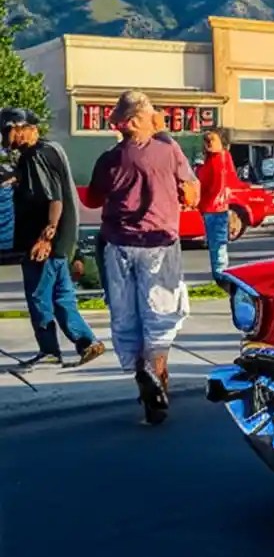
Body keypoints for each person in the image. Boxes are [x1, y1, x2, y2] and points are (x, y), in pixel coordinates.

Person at [84, 91, 198, 425]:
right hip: (159, 244)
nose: (159, 118)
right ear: (136, 121)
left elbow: (92, 199)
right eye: (153, 114)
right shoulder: (169, 150)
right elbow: (192, 193)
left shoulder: (110, 158)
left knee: (126, 317)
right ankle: (156, 372)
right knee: (160, 315)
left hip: (117, 244)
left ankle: (143, 382)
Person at [0, 108, 106, 369]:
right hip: (63, 240)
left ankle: (49, 350)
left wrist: (46, 235)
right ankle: (87, 342)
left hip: (45, 241)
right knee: (62, 296)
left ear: (23, 129)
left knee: (38, 296)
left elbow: (54, 198)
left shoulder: (35, 156)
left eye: (7, 130)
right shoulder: (50, 149)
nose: (5, 137)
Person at [196, 129, 232, 282]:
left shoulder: (220, 158)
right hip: (211, 207)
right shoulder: (212, 159)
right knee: (215, 244)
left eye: (212, 140)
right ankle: (220, 275)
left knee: (217, 244)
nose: (208, 144)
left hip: (215, 207)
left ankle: (221, 276)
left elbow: (218, 184)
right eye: (206, 140)